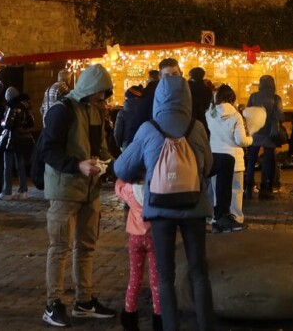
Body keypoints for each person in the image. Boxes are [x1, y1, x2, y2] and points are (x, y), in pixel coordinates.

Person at [115, 73, 215, 331]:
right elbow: (207, 167)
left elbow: (122, 168)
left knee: (165, 276)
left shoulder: (149, 129)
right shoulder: (197, 128)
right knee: (199, 273)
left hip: (160, 209)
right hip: (193, 205)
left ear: (159, 96)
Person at [40, 63, 117, 326]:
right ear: (90, 88)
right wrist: (77, 165)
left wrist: (113, 166)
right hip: (64, 189)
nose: (103, 98)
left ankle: (84, 301)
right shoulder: (61, 111)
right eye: (101, 93)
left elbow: (101, 148)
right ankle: (53, 303)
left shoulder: (95, 111)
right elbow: (48, 151)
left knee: (87, 246)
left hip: (89, 190)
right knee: (60, 247)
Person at [115, 176, 162, 331]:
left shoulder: (129, 189)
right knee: (156, 282)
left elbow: (118, 188)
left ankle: (130, 315)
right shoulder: (155, 188)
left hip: (135, 239)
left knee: (135, 278)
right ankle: (158, 317)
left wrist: (122, 177)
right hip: (154, 238)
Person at [206, 84, 249, 232]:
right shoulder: (236, 115)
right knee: (236, 190)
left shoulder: (209, 115)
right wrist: (251, 140)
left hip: (215, 157)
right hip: (234, 158)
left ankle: (217, 217)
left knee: (217, 190)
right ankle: (236, 218)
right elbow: (241, 140)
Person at [245, 74, 285, 199]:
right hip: (269, 134)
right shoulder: (276, 98)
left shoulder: (253, 96)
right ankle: (264, 186)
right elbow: (280, 116)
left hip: (255, 132)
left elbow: (248, 112)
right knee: (267, 161)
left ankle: (248, 185)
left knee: (251, 160)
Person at [0, 89, 36, 199]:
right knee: (21, 165)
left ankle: (7, 191)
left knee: (8, 165)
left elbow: (8, 124)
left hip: (11, 139)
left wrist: (2, 123)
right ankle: (23, 190)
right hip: (23, 138)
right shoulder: (25, 106)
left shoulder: (11, 106)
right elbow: (31, 122)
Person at [113, 84, 146, 150]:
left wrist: (120, 144)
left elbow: (117, 133)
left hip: (127, 145)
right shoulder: (146, 110)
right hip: (142, 145)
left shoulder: (122, 112)